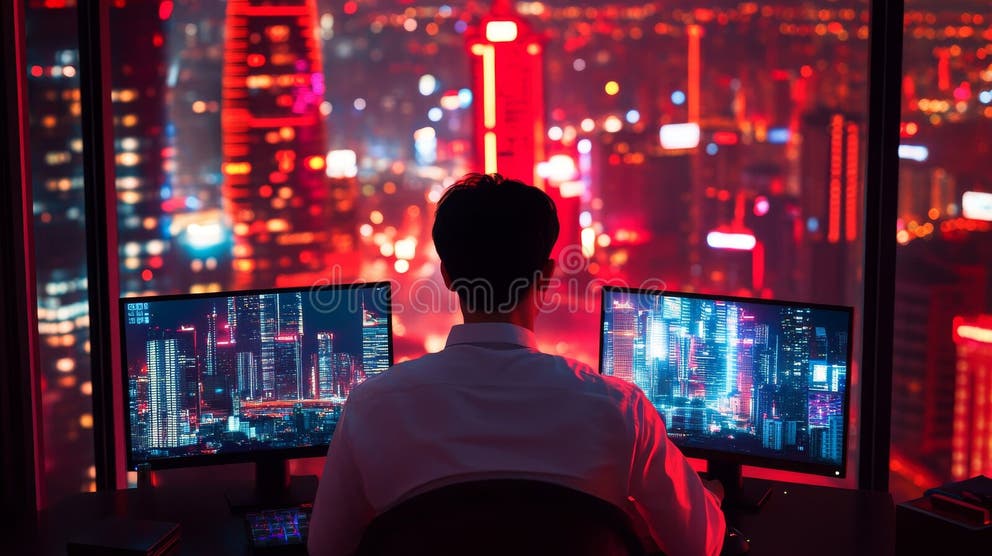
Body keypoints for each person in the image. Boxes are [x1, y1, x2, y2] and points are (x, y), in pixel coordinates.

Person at [308, 173, 726, 556]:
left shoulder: (372, 407)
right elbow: (698, 546)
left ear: (449, 275)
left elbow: (326, 548)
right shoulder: (620, 410)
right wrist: (705, 499)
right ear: (545, 276)